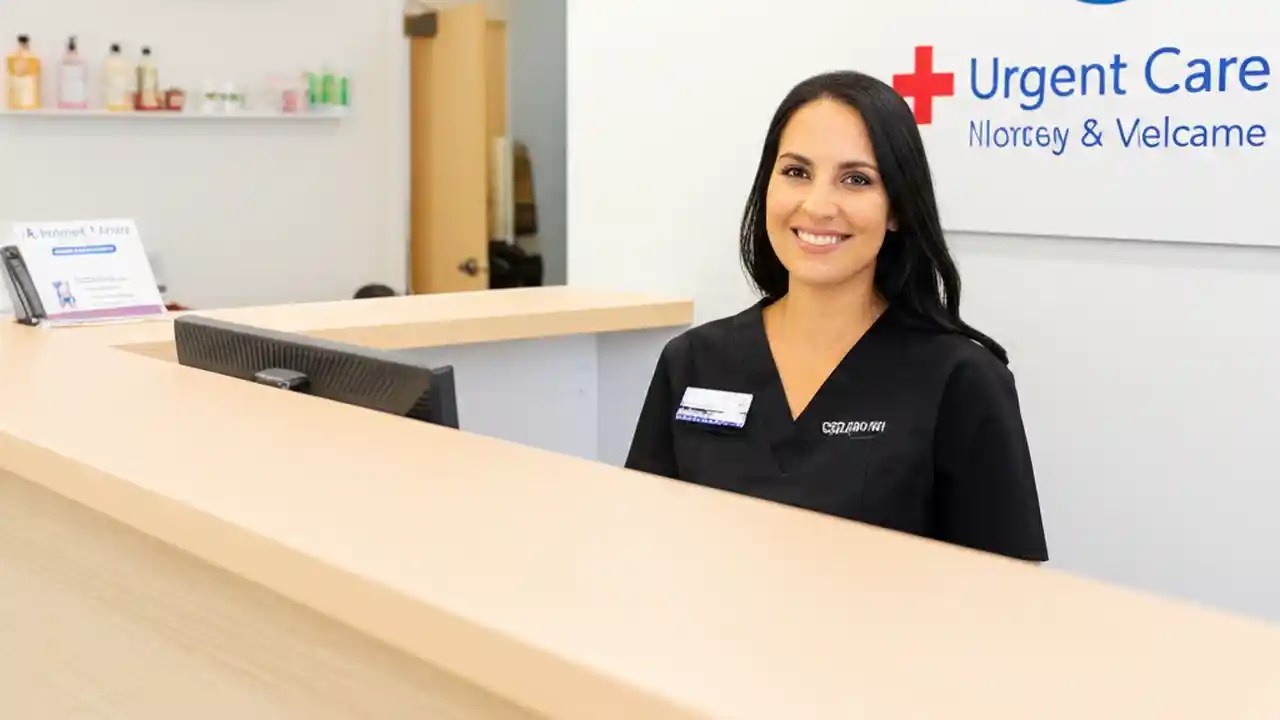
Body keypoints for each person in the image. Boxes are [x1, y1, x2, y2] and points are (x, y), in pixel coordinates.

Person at [625, 71, 1048, 561]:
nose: (818, 205)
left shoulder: (961, 380)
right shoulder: (693, 362)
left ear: (896, 209)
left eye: (856, 179)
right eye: (796, 172)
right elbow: (647, 550)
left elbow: (1010, 600)